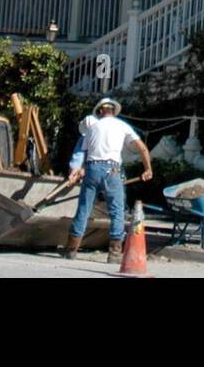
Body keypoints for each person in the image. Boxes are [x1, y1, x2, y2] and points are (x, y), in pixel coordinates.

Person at [62, 97, 153, 262]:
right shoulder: (122, 126)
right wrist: (148, 169)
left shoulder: (92, 127)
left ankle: (71, 250)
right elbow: (143, 148)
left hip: (92, 168)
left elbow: (84, 154)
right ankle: (114, 253)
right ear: (113, 111)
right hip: (112, 170)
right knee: (117, 211)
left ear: (100, 111)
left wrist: (78, 171)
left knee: (84, 209)